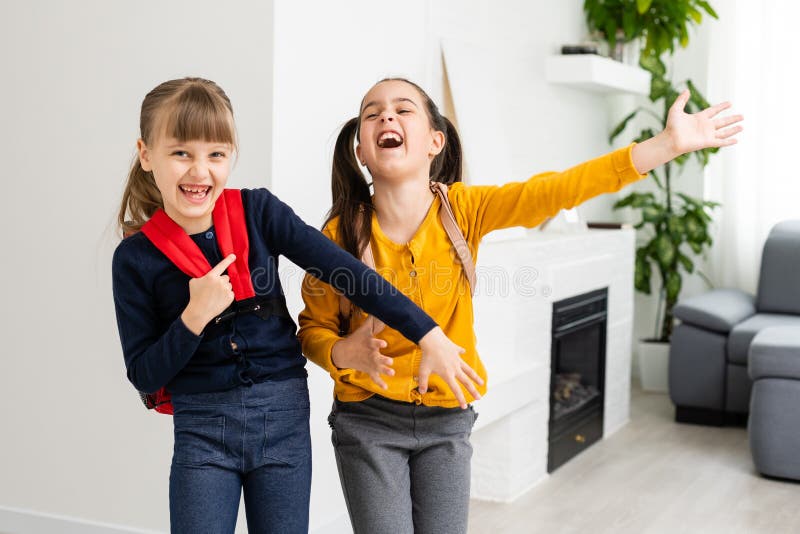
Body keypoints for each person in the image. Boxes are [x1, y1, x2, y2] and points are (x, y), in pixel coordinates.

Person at [297, 77, 742, 534]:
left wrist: (663, 146)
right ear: (362, 153)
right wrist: (342, 353)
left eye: (402, 108)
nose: (386, 116)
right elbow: (312, 329)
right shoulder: (337, 237)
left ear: (435, 141)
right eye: (372, 113)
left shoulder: (465, 210)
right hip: (367, 423)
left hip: (447, 420)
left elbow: (558, 190)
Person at [111, 77, 466, 534]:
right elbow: (144, 373)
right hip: (202, 431)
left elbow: (350, 275)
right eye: (181, 153)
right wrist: (192, 318)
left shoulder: (259, 212)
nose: (200, 171)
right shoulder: (136, 257)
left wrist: (427, 331)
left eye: (216, 154)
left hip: (282, 420)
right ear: (146, 154)